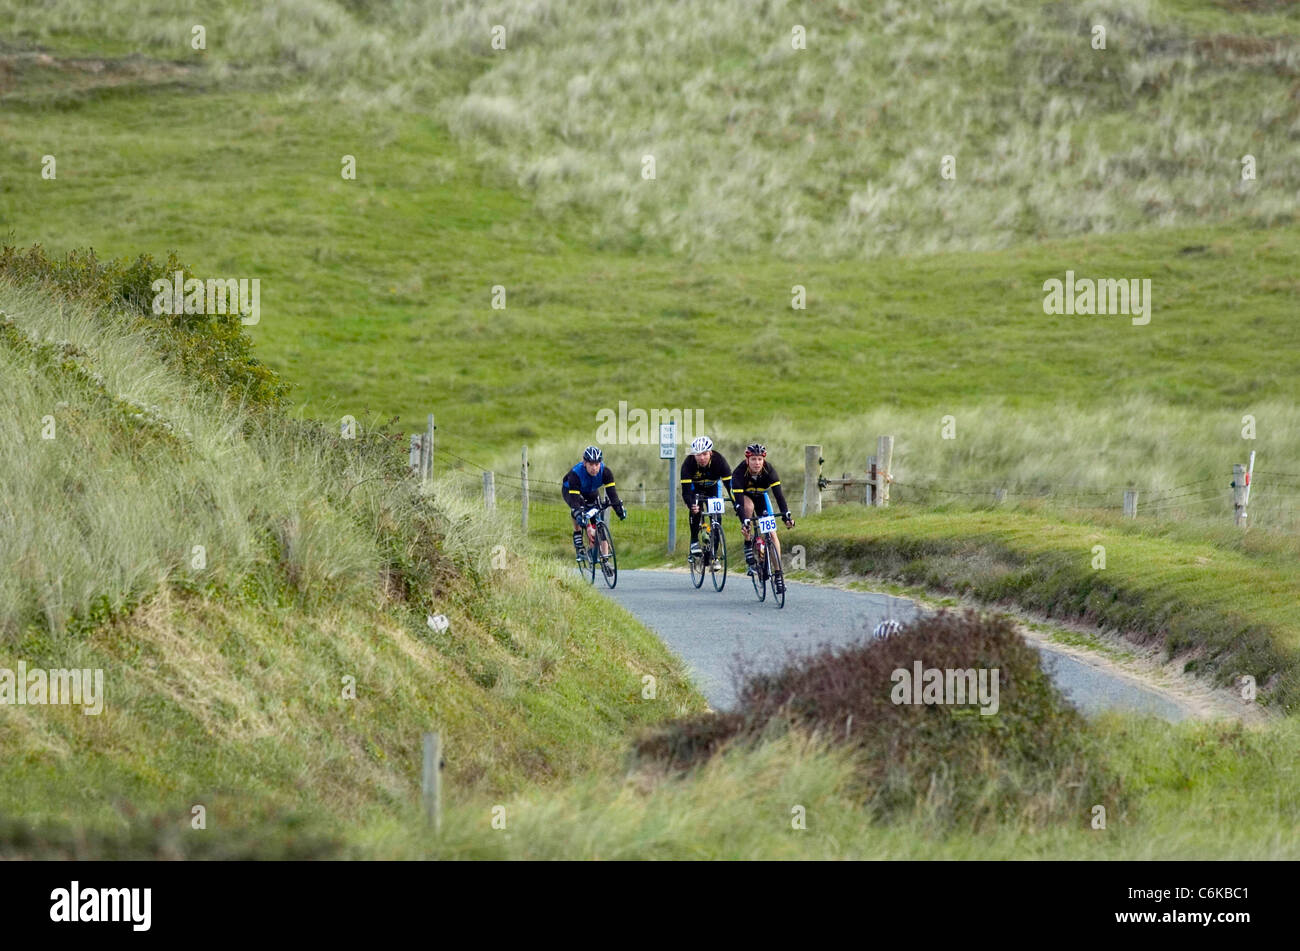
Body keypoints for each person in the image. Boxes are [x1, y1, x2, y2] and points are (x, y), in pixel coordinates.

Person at [731, 443, 794, 590]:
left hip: (761, 498)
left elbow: (779, 496)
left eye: (759, 459)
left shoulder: (769, 470)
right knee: (748, 507)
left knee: (772, 534)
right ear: (747, 460)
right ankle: (748, 541)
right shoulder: (739, 473)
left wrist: (786, 516)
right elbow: (738, 502)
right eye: (753, 459)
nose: (757, 463)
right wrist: (744, 521)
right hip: (744, 498)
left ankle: (778, 574)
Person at [562, 446, 626, 561]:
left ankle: (605, 560)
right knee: (579, 510)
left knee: (597, 518)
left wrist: (619, 510)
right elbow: (575, 502)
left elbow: (613, 496)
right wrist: (578, 513)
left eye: (597, 464)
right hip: (570, 490)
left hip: (591, 491)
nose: (594, 468)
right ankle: (578, 536)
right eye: (591, 464)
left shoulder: (605, 472)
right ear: (584, 463)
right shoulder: (575, 474)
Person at [679, 436, 734, 561]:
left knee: (717, 518)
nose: (702, 458)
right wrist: (690, 504)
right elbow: (686, 492)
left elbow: (730, 487)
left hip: (713, 488)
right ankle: (694, 540)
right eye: (698, 455)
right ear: (694, 455)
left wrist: (737, 504)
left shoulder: (719, 461)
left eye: (704, 454)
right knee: (696, 509)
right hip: (695, 489)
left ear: (711, 453)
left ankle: (713, 553)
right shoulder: (688, 464)